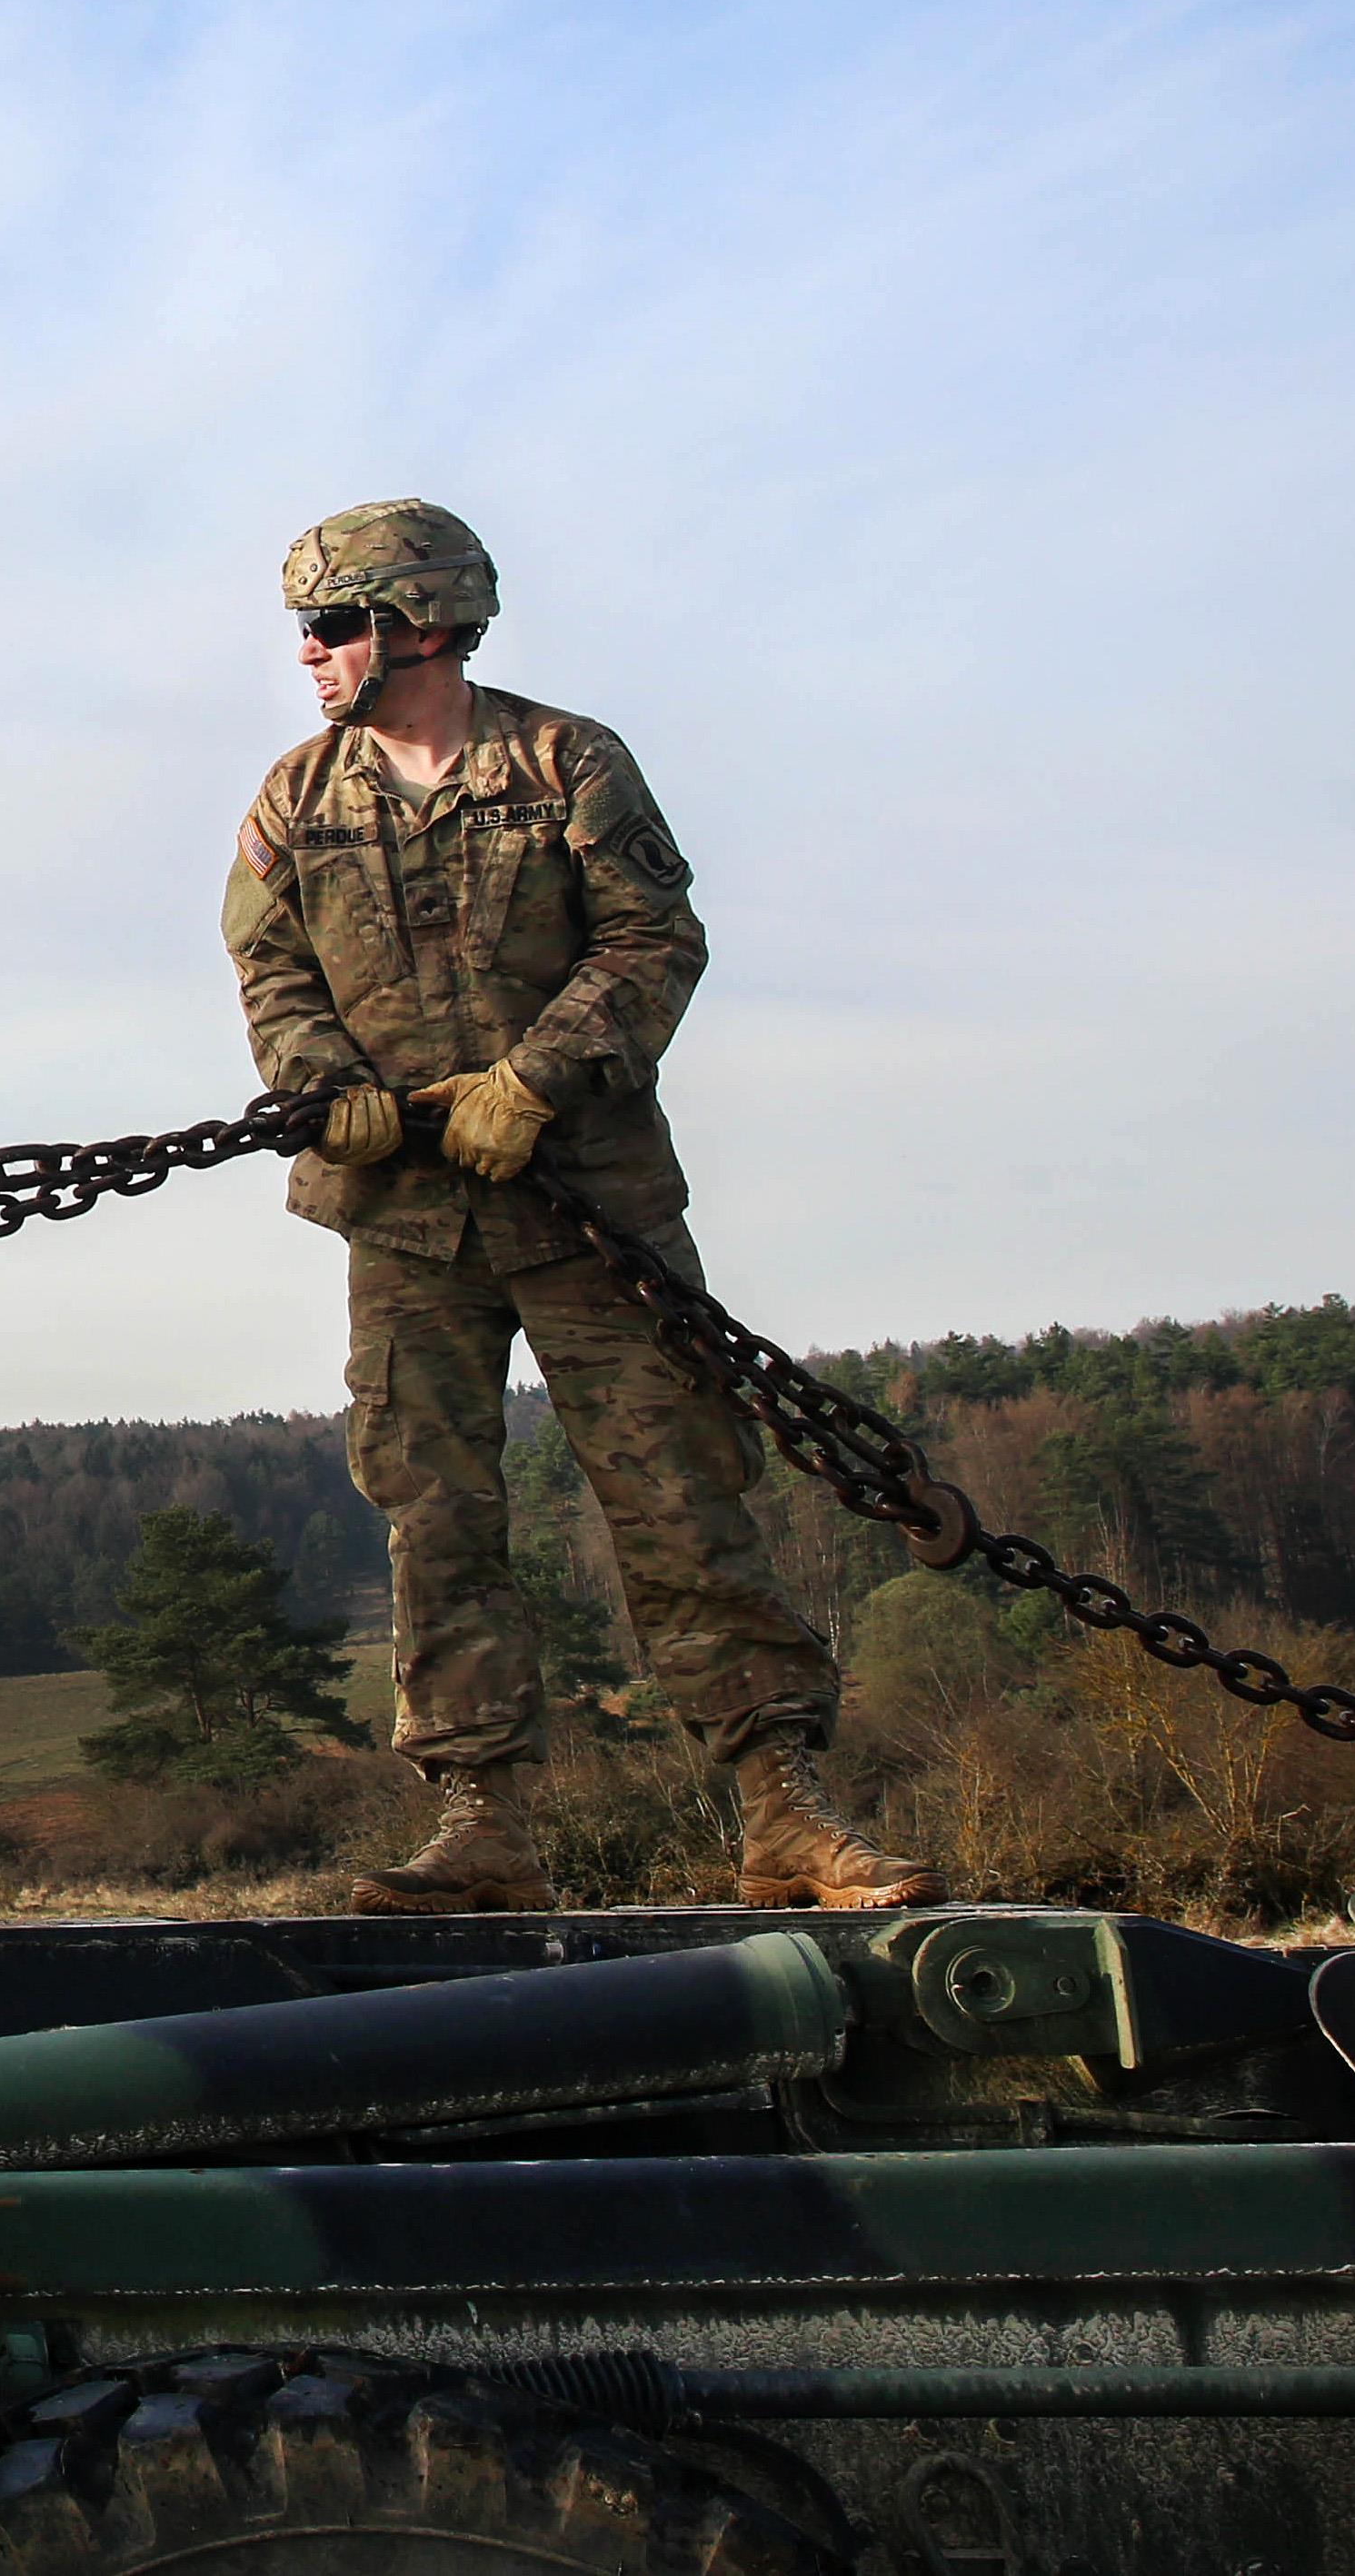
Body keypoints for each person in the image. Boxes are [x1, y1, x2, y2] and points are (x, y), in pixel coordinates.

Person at [219, 500, 942, 1915]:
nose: (308, 652)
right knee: (433, 1509)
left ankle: (782, 1813)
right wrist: (324, 1082)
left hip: (587, 1204)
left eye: (334, 623)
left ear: (419, 622)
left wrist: (538, 1079)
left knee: (678, 1491)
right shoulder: (296, 798)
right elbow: (271, 970)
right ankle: (480, 1826)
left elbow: (654, 935)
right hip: (408, 1222)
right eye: (305, 627)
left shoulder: (568, 763)